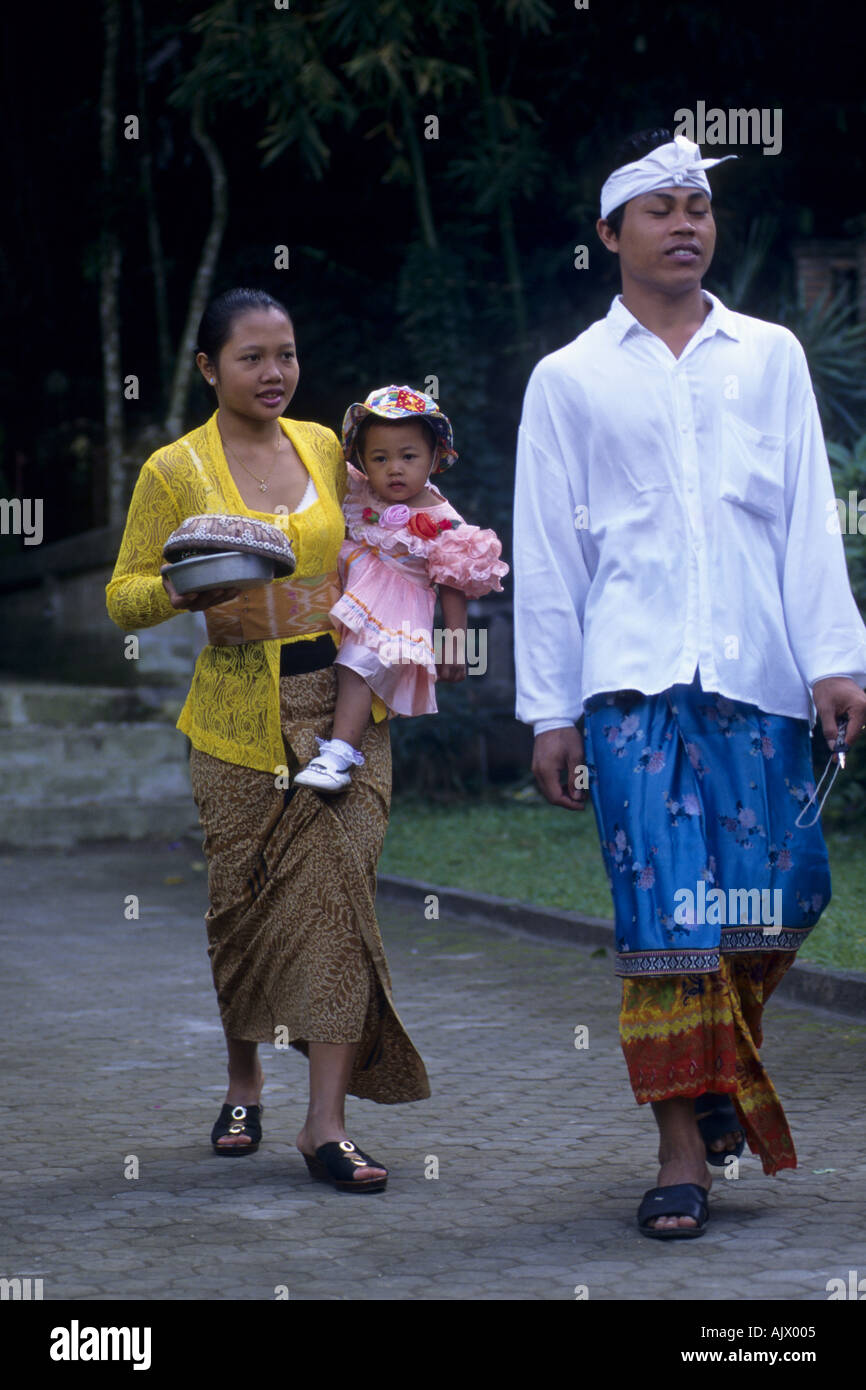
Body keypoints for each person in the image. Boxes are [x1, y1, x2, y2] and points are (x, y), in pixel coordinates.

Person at [512, 131, 866, 1238]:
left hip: (758, 678)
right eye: (659, 209)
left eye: (697, 208)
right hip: (628, 690)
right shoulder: (567, 377)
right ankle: (679, 1153)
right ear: (610, 235)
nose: (684, 224)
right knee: (665, 921)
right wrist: (549, 712)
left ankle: (711, 1075)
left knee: (784, 890)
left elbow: (807, 514)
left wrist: (834, 655)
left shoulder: (766, 356)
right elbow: (548, 549)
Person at [106, 287, 430, 1193]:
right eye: (252, 357)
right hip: (234, 718)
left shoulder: (328, 446)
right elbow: (124, 592)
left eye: (286, 353)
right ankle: (244, 1078)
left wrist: (445, 559)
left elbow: (395, 519)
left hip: (346, 712)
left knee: (336, 899)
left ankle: (325, 1126)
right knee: (238, 911)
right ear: (210, 368)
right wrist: (182, 593)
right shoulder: (176, 468)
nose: (275, 373)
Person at [294, 385, 508, 792]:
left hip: (397, 602)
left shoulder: (444, 520)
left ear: (434, 458)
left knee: (362, 663)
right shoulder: (359, 492)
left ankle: (339, 754)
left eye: (408, 457)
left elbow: (452, 582)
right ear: (361, 461)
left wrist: (456, 643)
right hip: (350, 584)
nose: (394, 468)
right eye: (380, 458)